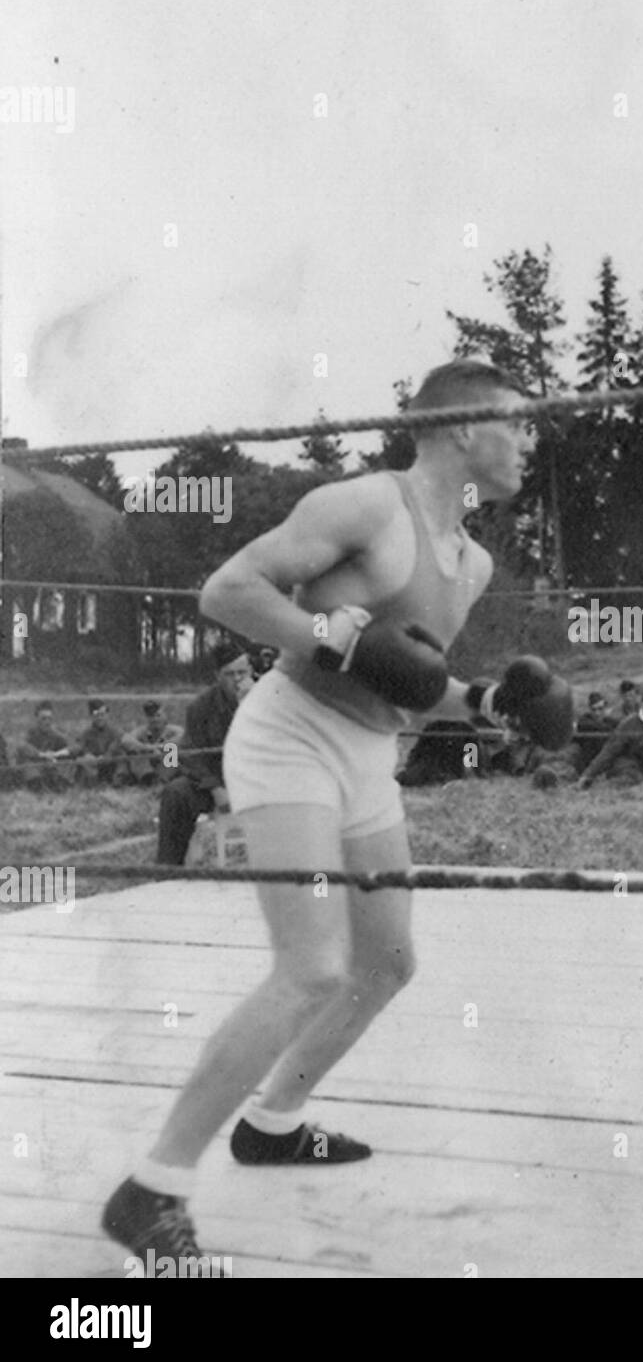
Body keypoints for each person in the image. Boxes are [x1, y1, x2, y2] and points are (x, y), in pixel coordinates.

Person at [103, 359, 573, 1267]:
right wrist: (333, 640)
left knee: (387, 962)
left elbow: (414, 678)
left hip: (367, 757)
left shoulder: (468, 560)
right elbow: (228, 591)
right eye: (516, 423)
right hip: (288, 740)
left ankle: (272, 1125)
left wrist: (485, 706)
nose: (528, 441)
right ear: (460, 427)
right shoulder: (363, 508)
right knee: (312, 968)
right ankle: (152, 1188)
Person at [154, 645, 254, 864]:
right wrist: (215, 788)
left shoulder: (268, 701)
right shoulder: (200, 707)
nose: (237, 679)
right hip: (217, 783)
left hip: (260, 783)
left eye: (242, 673)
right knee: (175, 793)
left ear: (251, 671)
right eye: (229, 674)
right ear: (217, 676)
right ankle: (167, 871)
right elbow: (191, 754)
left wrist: (250, 705)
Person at [576, 685, 643, 788]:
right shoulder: (629, 723)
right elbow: (609, 751)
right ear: (642, 704)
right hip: (627, 764)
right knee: (632, 779)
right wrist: (588, 774)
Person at [119, 700, 184, 786]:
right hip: (148, 769)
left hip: (168, 770)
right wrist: (147, 749)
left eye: (158, 715)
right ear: (146, 719)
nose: (155, 719)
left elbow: (182, 738)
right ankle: (147, 780)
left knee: (171, 751)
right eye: (151, 716)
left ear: (165, 717)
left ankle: (161, 781)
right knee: (133, 751)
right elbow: (126, 740)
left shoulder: (174, 730)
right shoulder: (142, 731)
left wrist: (159, 747)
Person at [15, 701, 77, 791]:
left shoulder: (56, 734)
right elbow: (21, 745)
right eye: (43, 719)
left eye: (49, 719)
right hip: (36, 768)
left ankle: (60, 784)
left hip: (54, 766)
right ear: (36, 719)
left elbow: (74, 746)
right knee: (25, 762)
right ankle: (37, 786)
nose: (47, 722)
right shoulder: (30, 733)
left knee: (70, 760)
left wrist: (57, 754)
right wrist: (42, 754)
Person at [75, 699, 125, 787]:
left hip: (110, 765)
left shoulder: (114, 732)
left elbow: (117, 742)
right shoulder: (85, 734)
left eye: (102, 715)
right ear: (91, 716)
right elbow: (79, 747)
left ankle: (117, 784)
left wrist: (108, 754)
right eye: (97, 715)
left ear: (107, 715)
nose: (100, 718)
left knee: (122, 757)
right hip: (94, 766)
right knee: (82, 761)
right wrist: (87, 754)